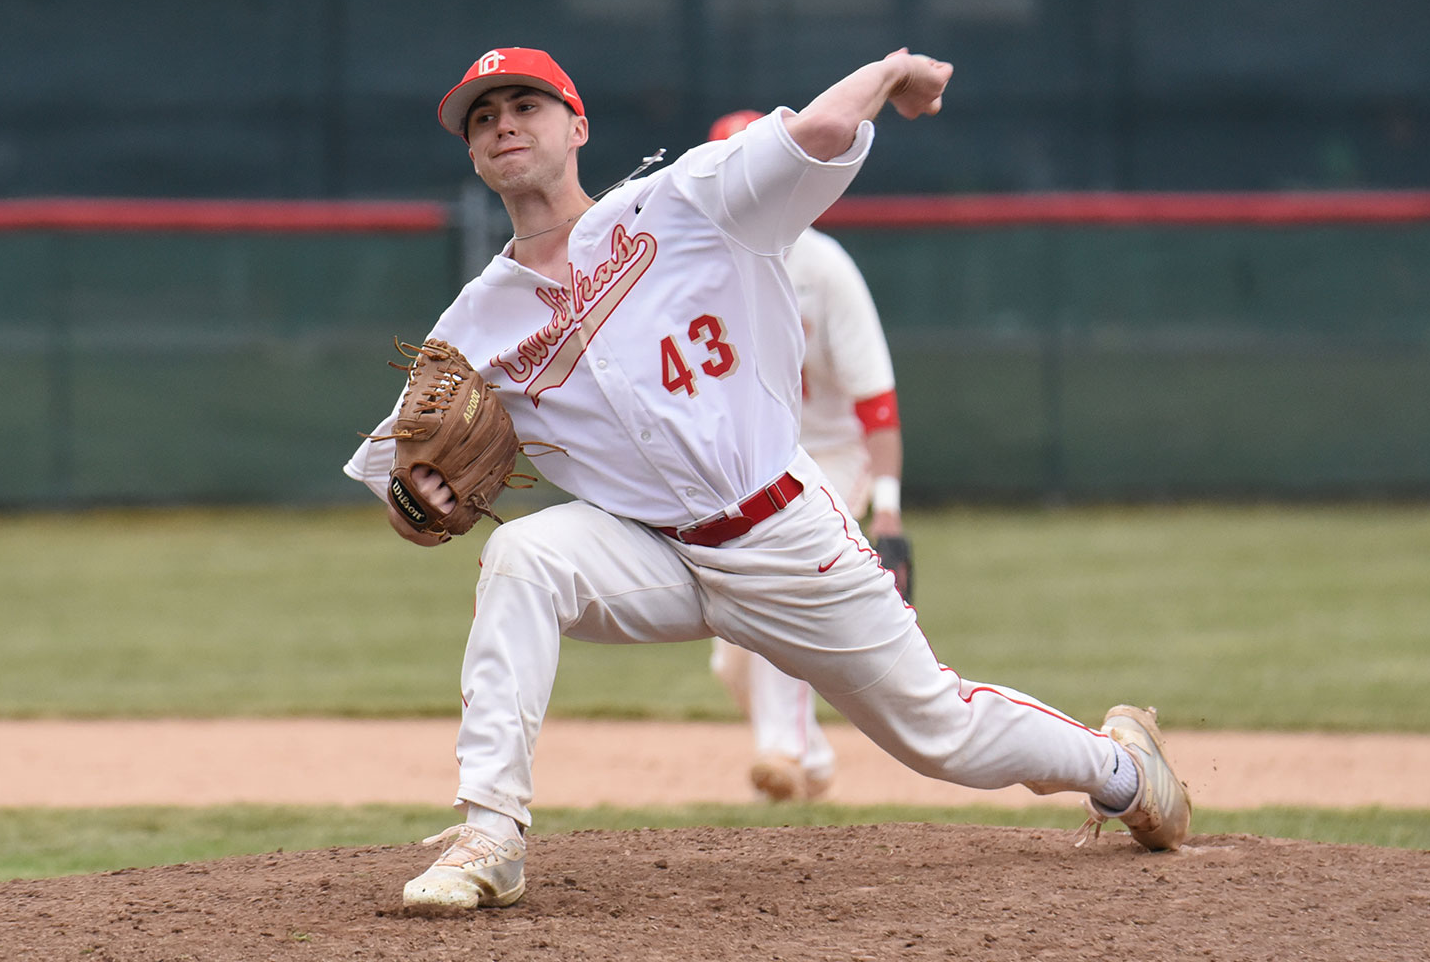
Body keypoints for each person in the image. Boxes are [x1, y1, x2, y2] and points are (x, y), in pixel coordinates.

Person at [345, 46, 1190, 912]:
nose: (503, 126)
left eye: (525, 105)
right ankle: (491, 830)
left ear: (578, 126)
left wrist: (892, 71)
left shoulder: (686, 201)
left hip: (784, 536)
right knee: (522, 556)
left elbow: (822, 131)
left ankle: (1122, 768)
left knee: (941, 734)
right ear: (473, 152)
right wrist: (424, 507)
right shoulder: (474, 325)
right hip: (653, 554)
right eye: (483, 119)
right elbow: (404, 496)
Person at [701, 109, 906, 804]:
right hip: (759, 459)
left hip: (835, 454)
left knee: (777, 585)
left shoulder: (823, 269)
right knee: (731, 660)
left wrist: (889, 512)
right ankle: (811, 760)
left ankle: (782, 751)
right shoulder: (701, 267)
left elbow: (877, 404)